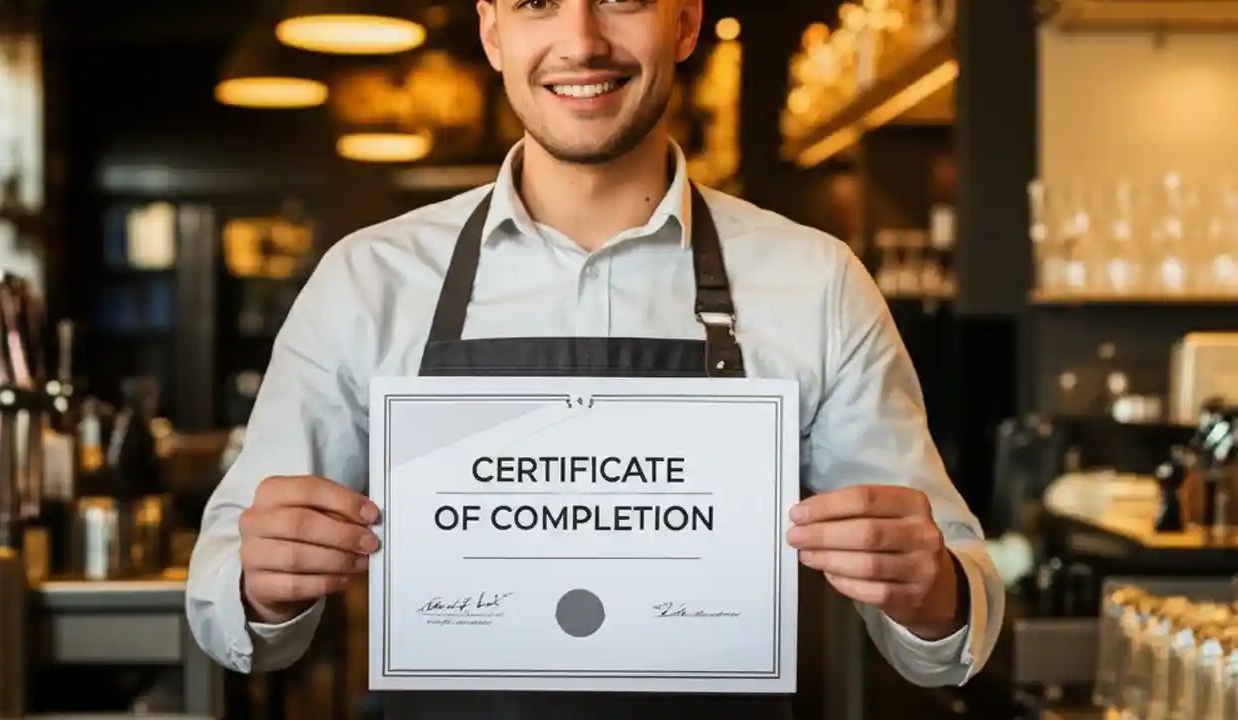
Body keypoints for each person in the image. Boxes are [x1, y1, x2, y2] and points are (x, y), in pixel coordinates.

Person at [186, 0, 1004, 717]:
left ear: (684, 21)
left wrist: (928, 588)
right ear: (492, 29)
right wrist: (262, 580)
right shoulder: (370, 280)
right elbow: (223, 597)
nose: (581, 41)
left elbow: (954, 622)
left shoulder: (815, 282)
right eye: (537, 1)